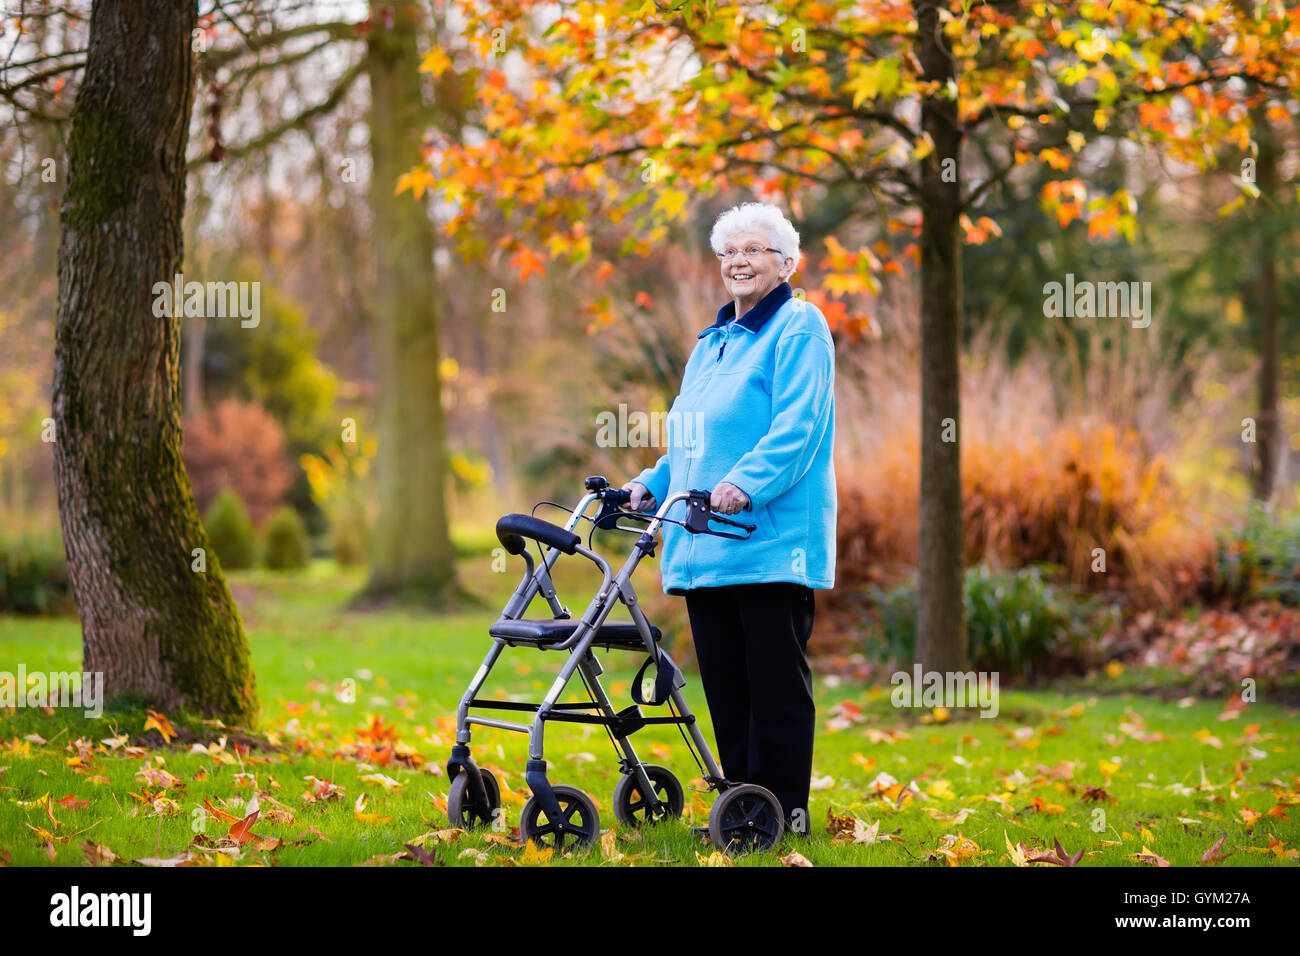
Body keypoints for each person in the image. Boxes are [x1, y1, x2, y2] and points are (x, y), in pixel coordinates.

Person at [622, 200, 836, 836]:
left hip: (768, 543)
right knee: (727, 689)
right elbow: (688, 448)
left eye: (755, 250)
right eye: (729, 252)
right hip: (704, 543)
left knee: (774, 691)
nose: (739, 261)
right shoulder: (710, 346)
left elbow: (798, 429)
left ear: (786, 262)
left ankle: (785, 815)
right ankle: (746, 813)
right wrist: (648, 485)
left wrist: (744, 484)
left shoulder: (799, 327)